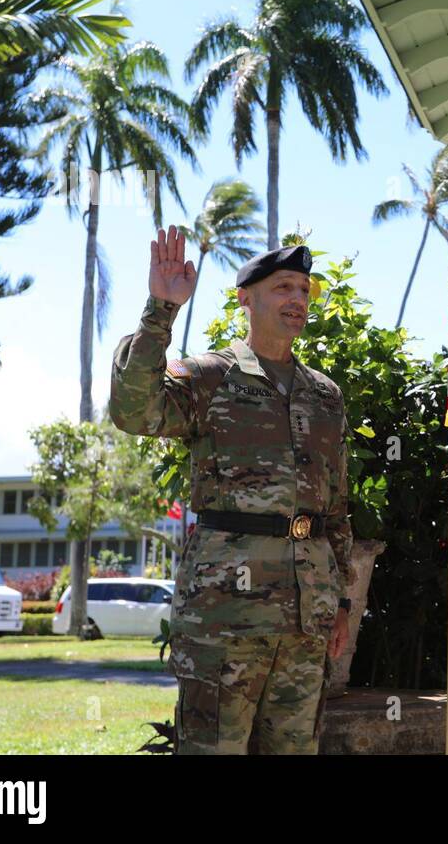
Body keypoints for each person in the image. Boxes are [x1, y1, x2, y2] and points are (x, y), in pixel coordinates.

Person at [109, 226, 353, 754]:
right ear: (246, 299)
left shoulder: (325, 396)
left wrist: (343, 604)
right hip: (223, 615)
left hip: (305, 618)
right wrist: (160, 311)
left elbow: (336, 511)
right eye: (283, 287)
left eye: (304, 291)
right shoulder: (210, 377)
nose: (297, 300)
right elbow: (133, 411)